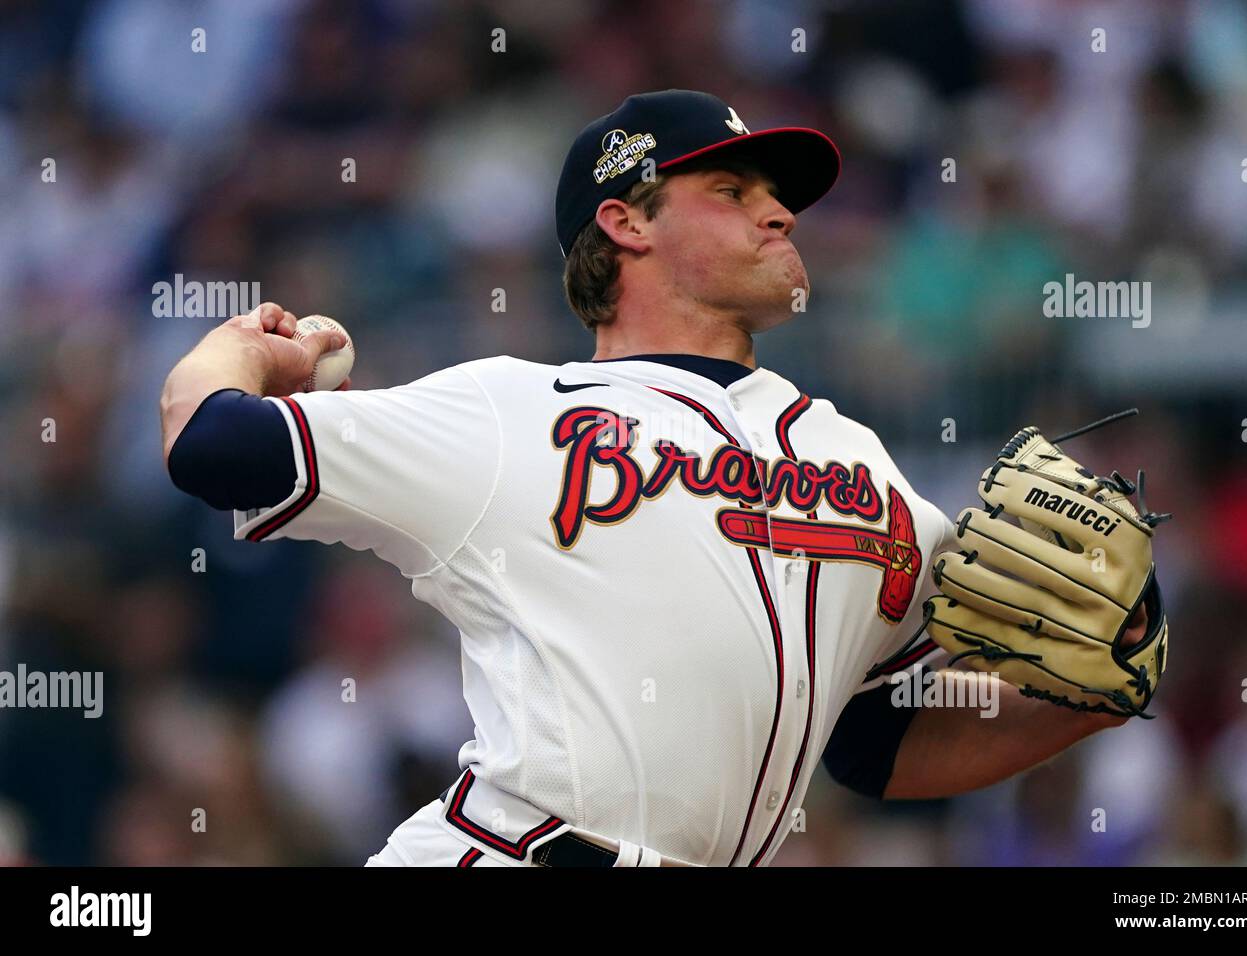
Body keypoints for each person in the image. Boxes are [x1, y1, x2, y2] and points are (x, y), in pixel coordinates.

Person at [160, 90, 1141, 867]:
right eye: (732, 188)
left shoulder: (859, 461)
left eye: (776, 193)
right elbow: (208, 439)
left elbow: (874, 741)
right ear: (625, 222)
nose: (778, 209)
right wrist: (245, 349)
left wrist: (1093, 688)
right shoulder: (507, 412)